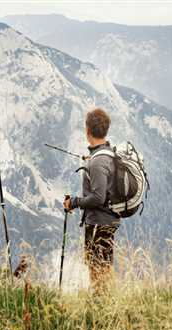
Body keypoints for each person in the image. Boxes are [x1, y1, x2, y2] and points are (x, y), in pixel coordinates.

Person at [63, 108, 118, 290]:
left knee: (96, 269)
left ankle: (99, 306)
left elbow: (98, 197)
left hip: (98, 223)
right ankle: (105, 302)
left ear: (87, 131)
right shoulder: (109, 153)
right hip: (109, 220)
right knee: (104, 267)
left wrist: (74, 202)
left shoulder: (97, 161)